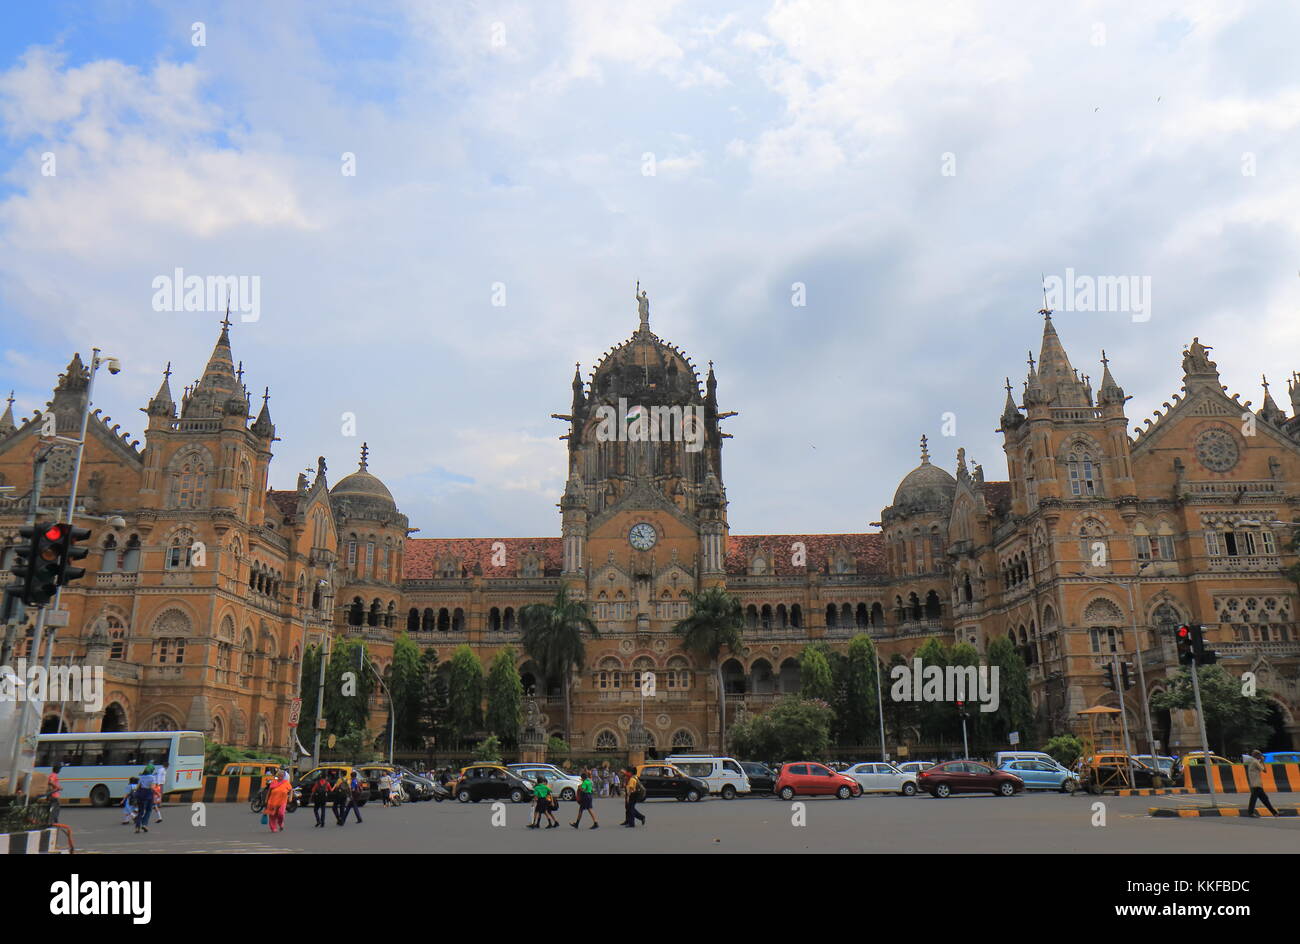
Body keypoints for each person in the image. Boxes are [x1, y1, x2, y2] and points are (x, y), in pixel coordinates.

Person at [1246, 749, 1278, 817]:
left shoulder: (1251, 761)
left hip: (1254, 783)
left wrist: (1260, 761)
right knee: (1254, 799)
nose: (1260, 757)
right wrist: (1262, 761)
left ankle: (1274, 813)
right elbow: (1264, 770)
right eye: (1259, 756)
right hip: (1256, 784)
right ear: (1257, 755)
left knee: (1264, 799)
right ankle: (1250, 812)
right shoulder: (1255, 762)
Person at [265, 769, 292, 833]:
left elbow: (291, 790)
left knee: (281, 814)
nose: (280, 777)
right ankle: (273, 828)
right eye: (279, 775)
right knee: (272, 815)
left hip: (282, 801)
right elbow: (269, 792)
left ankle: (280, 823)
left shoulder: (286, 783)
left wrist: (290, 798)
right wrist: (266, 799)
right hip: (272, 801)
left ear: (284, 776)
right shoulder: (273, 782)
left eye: (282, 776)